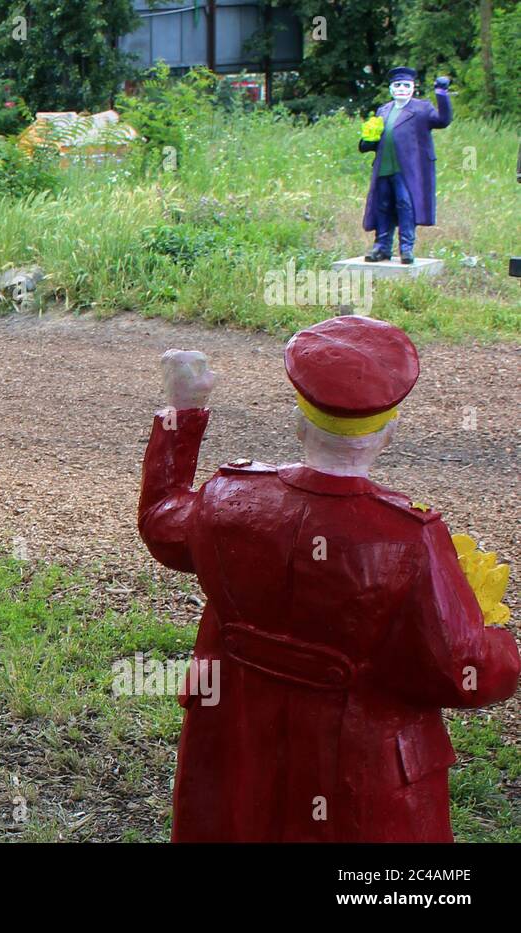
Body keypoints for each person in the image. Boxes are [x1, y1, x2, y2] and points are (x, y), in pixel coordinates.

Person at [138, 316, 519, 842]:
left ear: (299, 424)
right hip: (363, 774)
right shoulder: (411, 537)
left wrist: (184, 408)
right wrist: (492, 630)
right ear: (389, 431)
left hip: (235, 742)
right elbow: (463, 670)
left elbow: (163, 519)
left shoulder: (228, 501)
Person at [359, 67, 452, 264]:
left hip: (408, 169)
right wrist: (367, 142)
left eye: (406, 85)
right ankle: (382, 247)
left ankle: (406, 248)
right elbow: (377, 135)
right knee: (383, 206)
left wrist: (442, 94)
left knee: (405, 205)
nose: (401, 89)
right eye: (397, 85)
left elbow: (443, 120)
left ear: (413, 88)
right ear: (391, 89)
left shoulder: (421, 109)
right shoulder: (384, 110)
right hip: (384, 166)